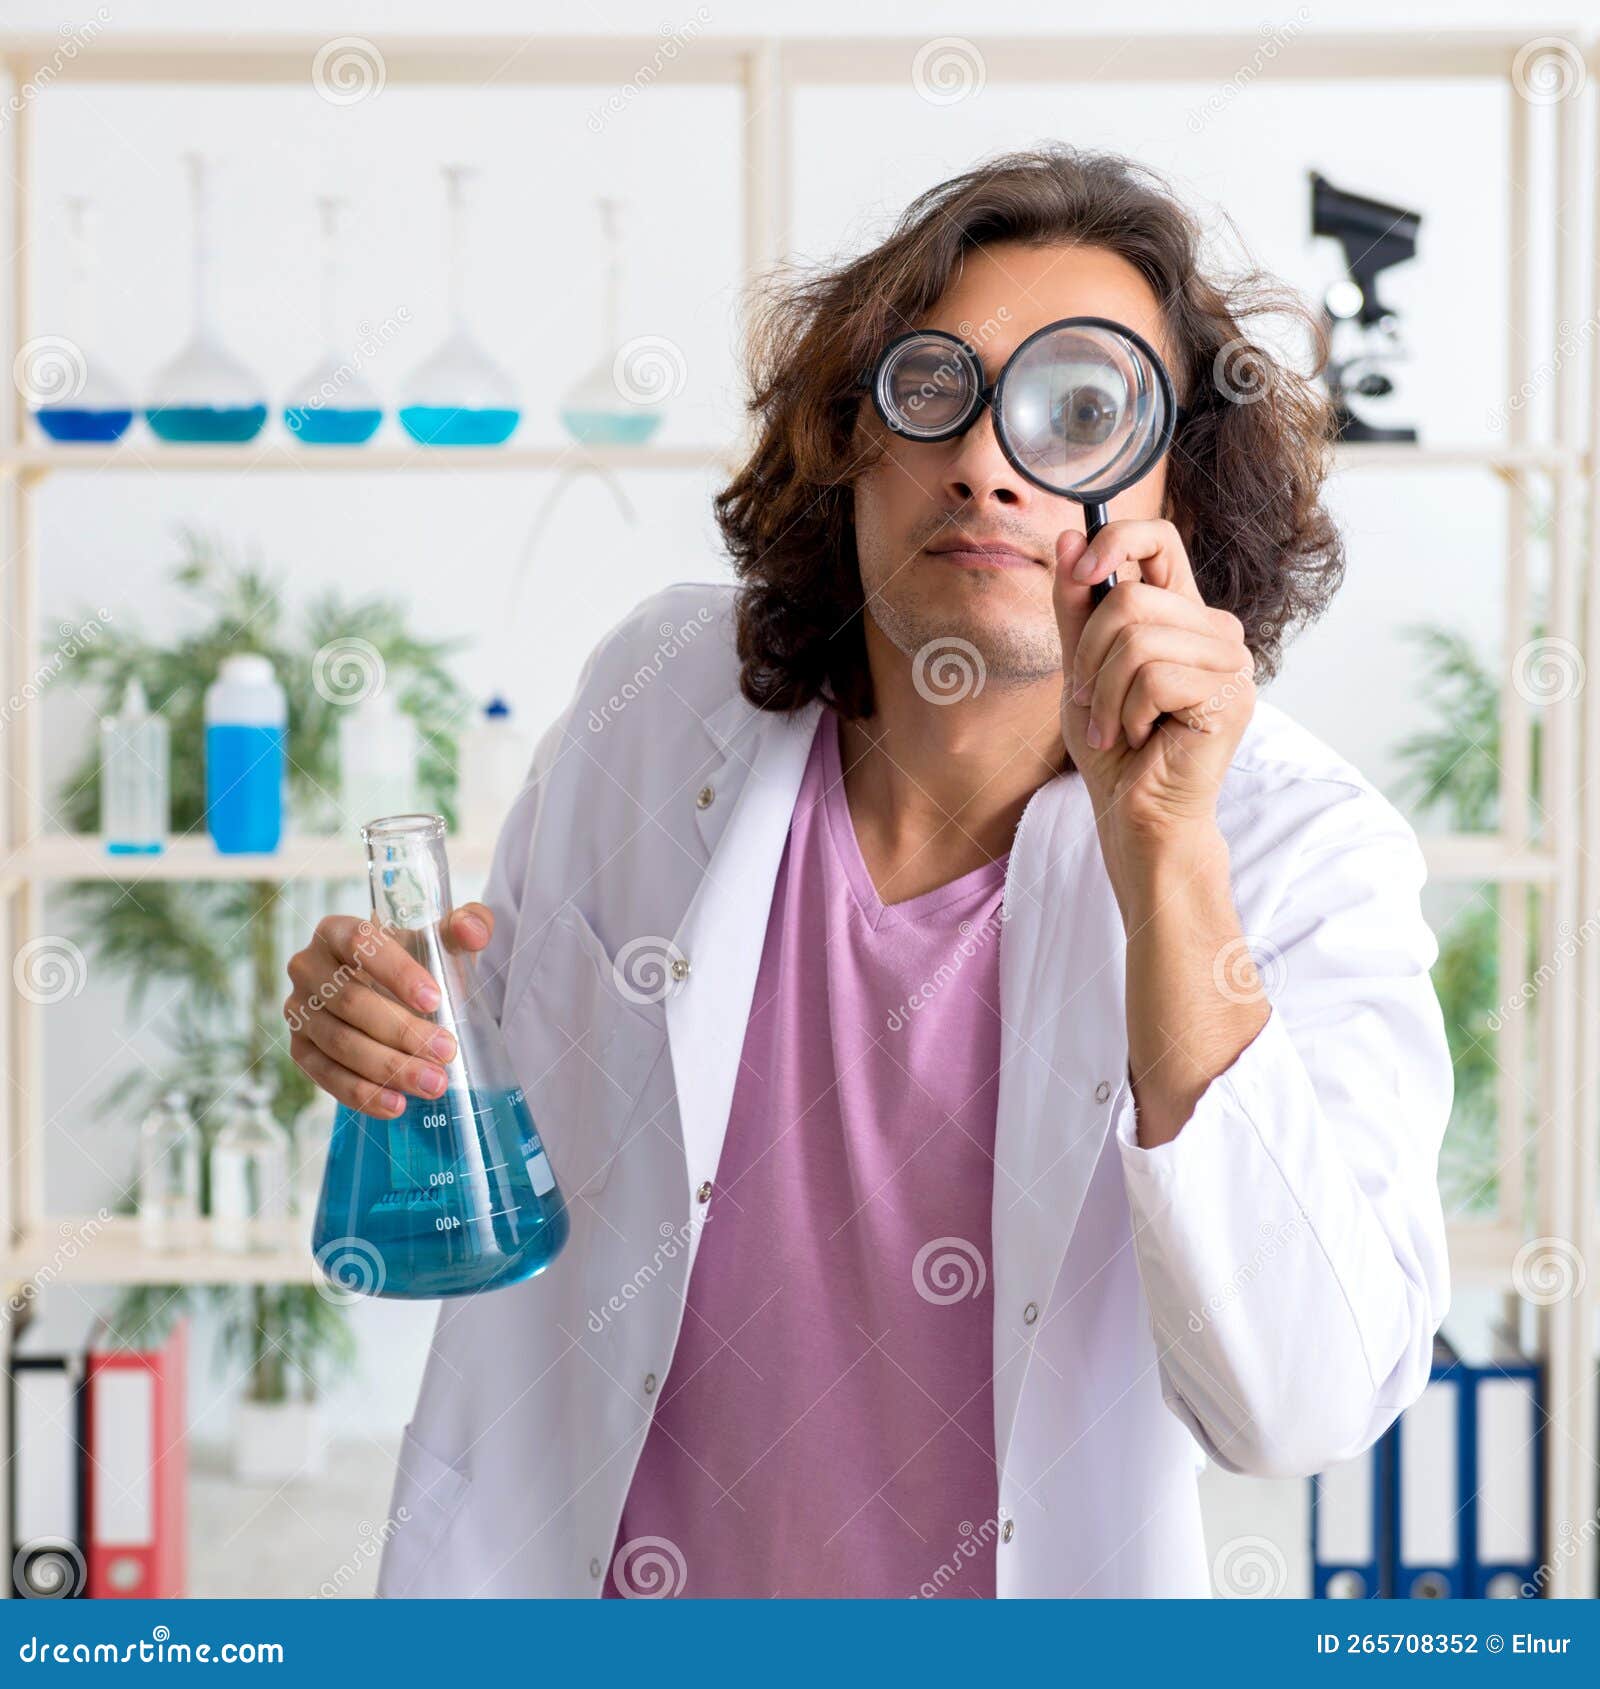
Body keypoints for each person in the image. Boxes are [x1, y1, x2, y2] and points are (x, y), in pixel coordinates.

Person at [285, 144, 1452, 1598]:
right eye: (930, 392)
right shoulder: (660, 692)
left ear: (1180, 489)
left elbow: (1304, 1403)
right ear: (847, 441)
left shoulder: (1295, 849)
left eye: (1078, 412)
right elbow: (500, 1090)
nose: (984, 461)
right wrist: (390, 1025)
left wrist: (1166, 857)